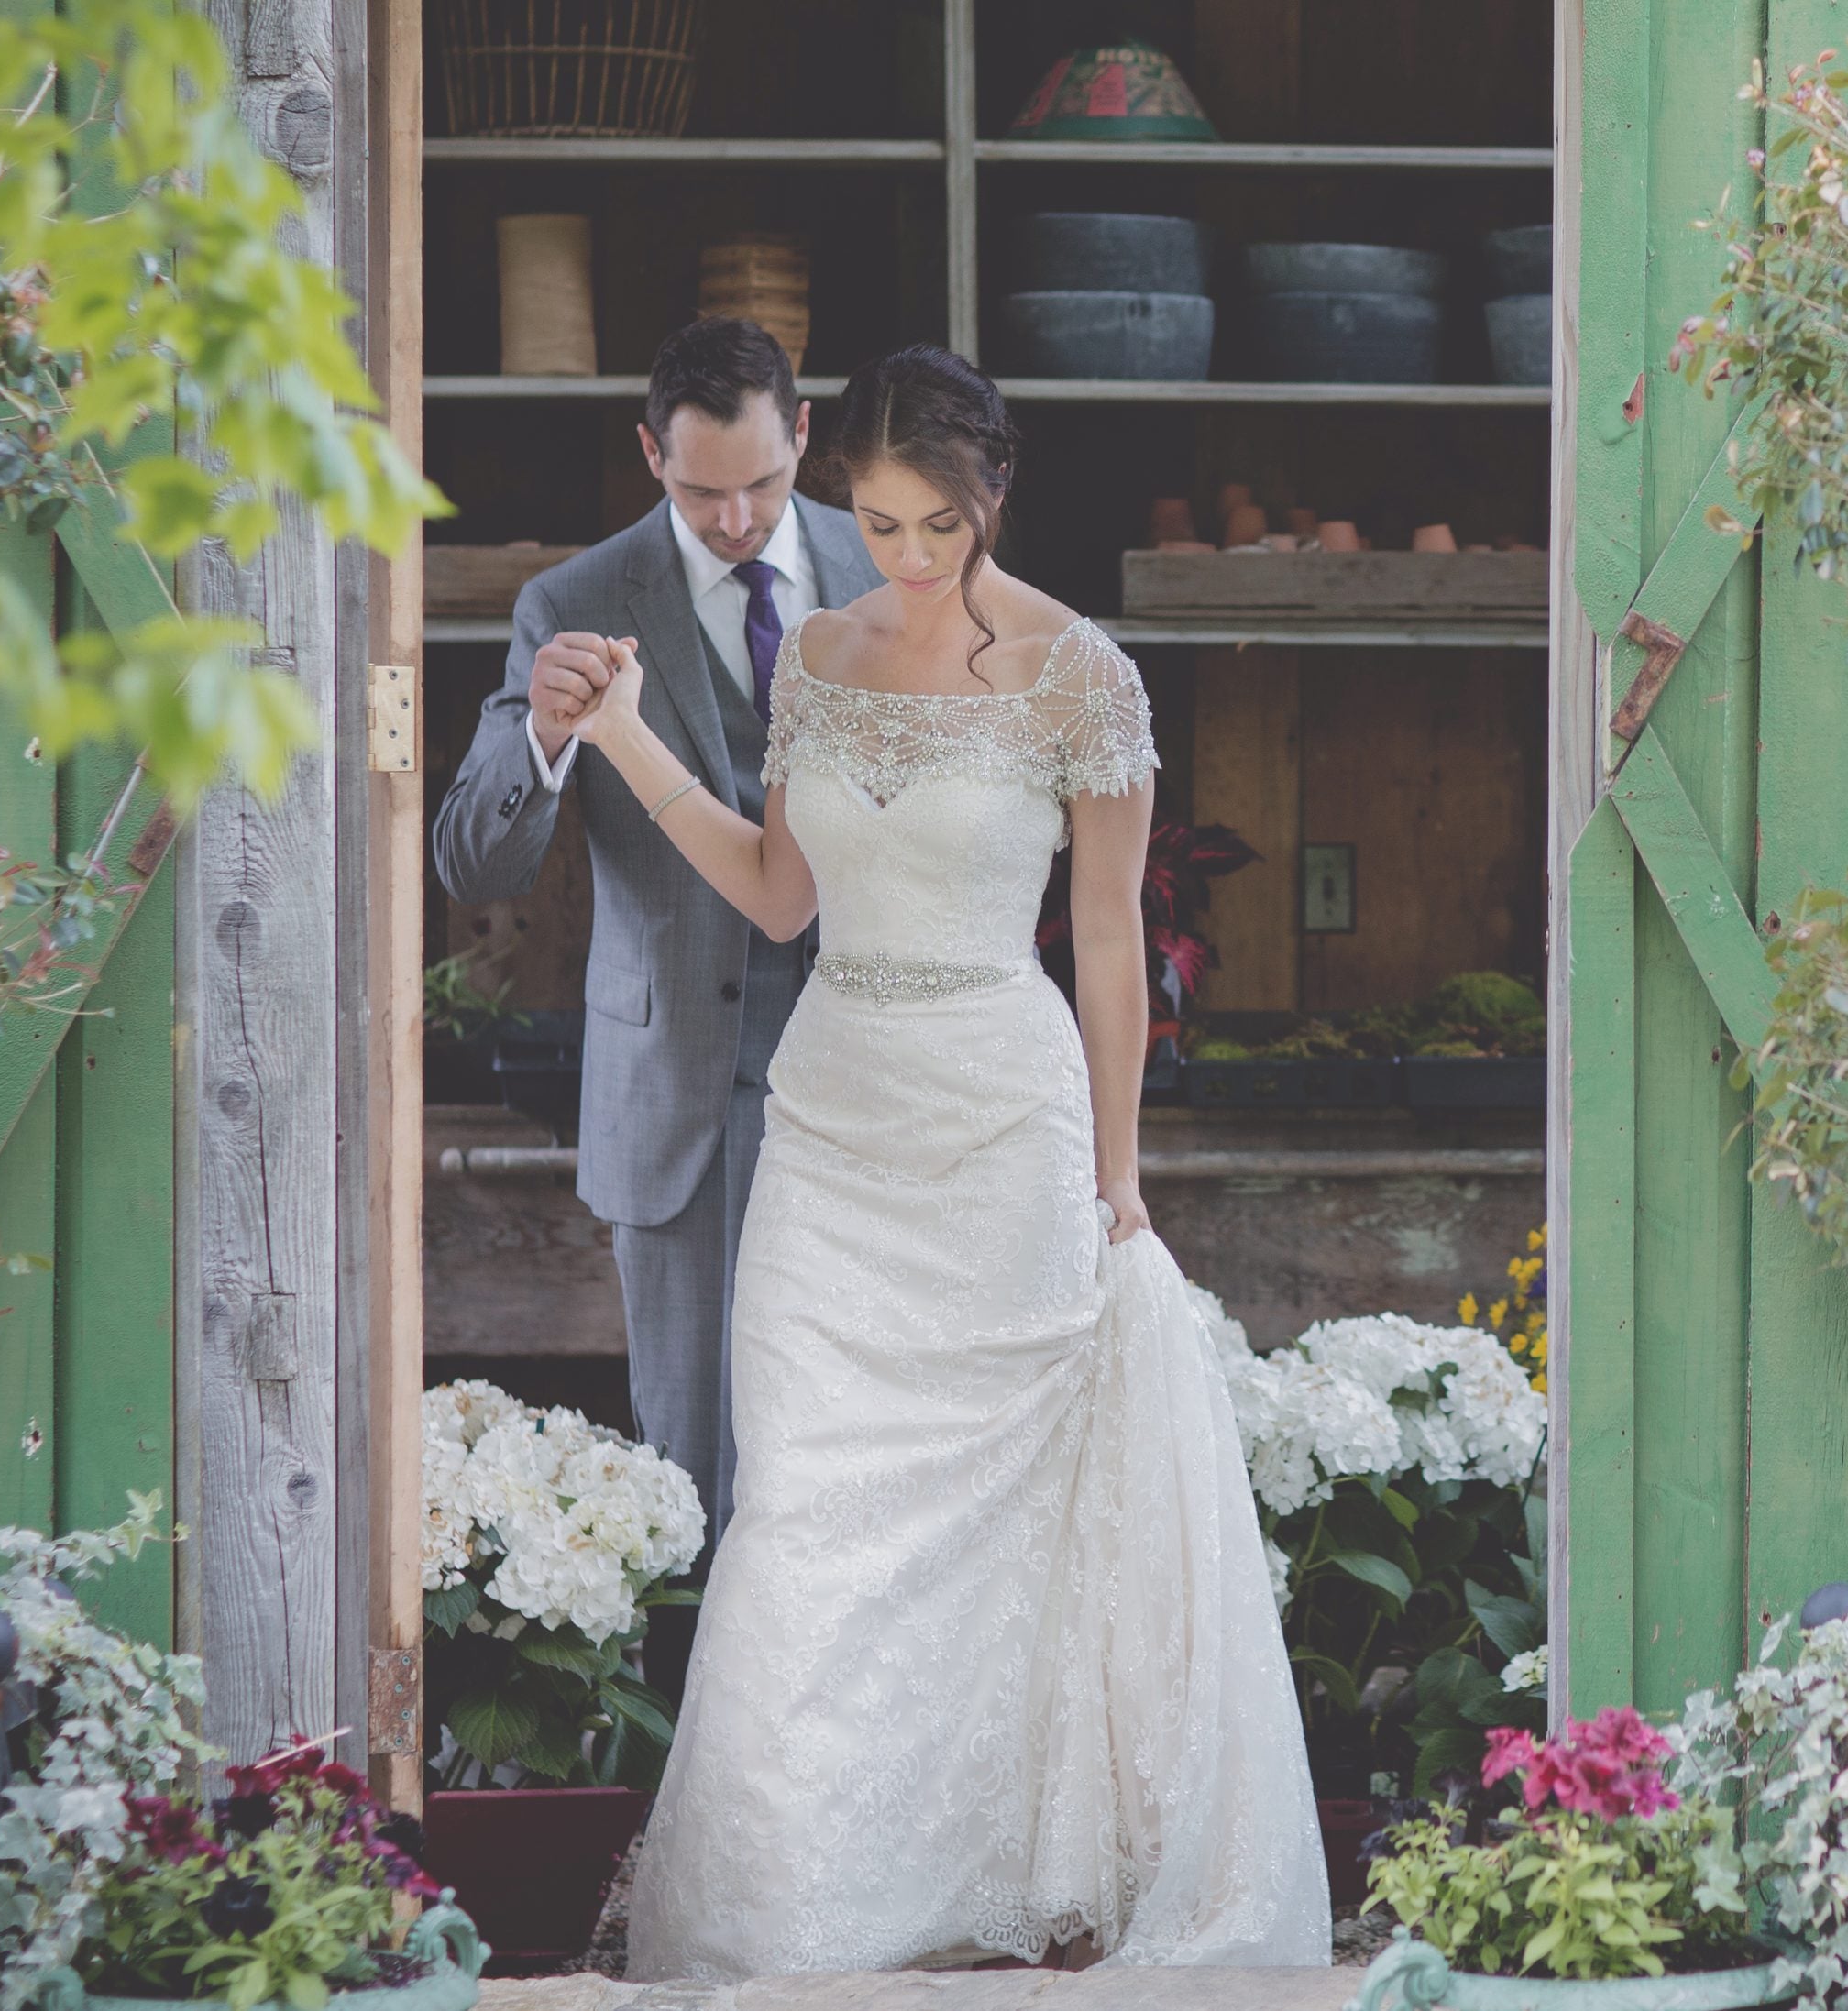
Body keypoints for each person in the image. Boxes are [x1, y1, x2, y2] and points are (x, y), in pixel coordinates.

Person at [599, 346, 1327, 1975]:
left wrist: (1120, 1173)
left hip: (1005, 1115)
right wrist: (642, 744)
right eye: (876, 521)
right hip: (834, 1120)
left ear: (990, 499)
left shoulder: (1084, 674)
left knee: (999, 1522)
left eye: (937, 525)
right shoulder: (819, 653)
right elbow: (783, 895)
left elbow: (1114, 945)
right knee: (799, 1509)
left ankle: (981, 1886)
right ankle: (799, 1907)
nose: (909, 557)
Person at [430, 319, 886, 1659]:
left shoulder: (889, 570)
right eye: (699, 491)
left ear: (805, 437)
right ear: (649, 456)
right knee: (689, 1481)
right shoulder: (574, 600)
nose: (736, 519)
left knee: (860, 1464)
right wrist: (549, 740)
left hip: (868, 1096)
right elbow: (474, 852)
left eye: (759, 481)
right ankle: (696, 1803)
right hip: (677, 1096)